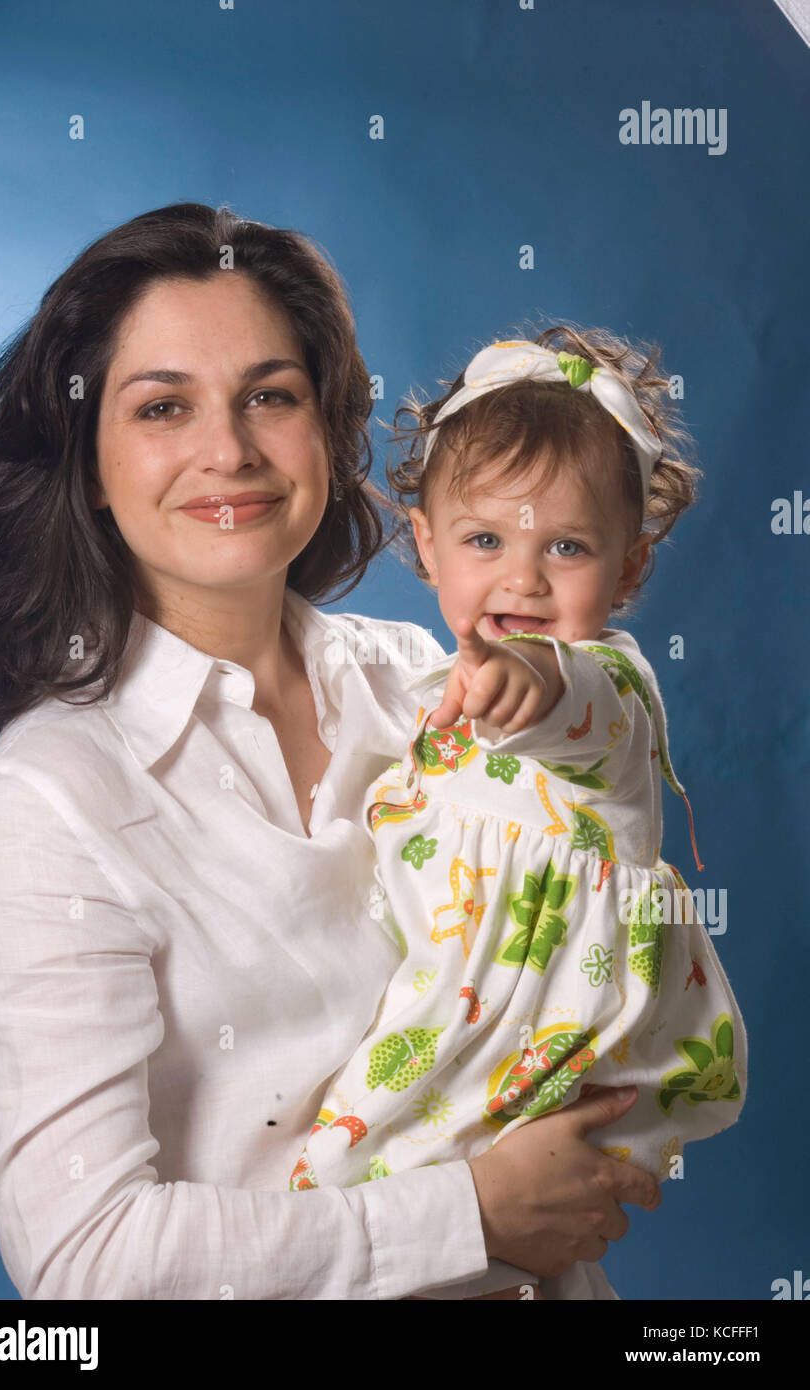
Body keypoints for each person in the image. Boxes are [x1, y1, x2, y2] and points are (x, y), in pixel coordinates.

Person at [0, 203, 661, 1301]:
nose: (226, 450)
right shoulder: (46, 804)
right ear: (88, 464)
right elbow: (83, 1259)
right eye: (163, 406)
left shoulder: (422, 681)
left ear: (327, 428)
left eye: (268, 397)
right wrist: (471, 1212)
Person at [291, 333, 748, 1300]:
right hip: (457, 1004)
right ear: (425, 542)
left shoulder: (610, 688)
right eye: (486, 540)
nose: (523, 579)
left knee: (337, 1187)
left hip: (541, 1008)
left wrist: (527, 676)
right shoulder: (419, 693)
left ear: (627, 570)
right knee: (389, 1210)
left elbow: (564, 699)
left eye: (567, 547)